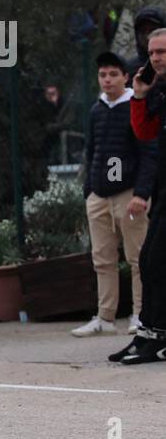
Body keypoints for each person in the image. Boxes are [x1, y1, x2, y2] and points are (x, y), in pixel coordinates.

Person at [72, 53, 153, 338]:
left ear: (125, 77)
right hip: (99, 195)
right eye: (102, 75)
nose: (107, 80)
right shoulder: (96, 110)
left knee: (138, 257)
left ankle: (141, 315)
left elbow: (147, 153)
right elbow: (91, 150)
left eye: (113, 75)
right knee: (102, 258)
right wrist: (90, 190)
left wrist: (141, 193)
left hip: (129, 194)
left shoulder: (135, 106)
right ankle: (105, 317)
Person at [112, 29, 166, 363]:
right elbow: (144, 132)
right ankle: (149, 334)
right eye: (153, 52)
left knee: (155, 259)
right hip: (163, 188)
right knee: (149, 260)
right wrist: (139, 96)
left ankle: (155, 335)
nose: (157, 57)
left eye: (163, 51)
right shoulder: (156, 89)